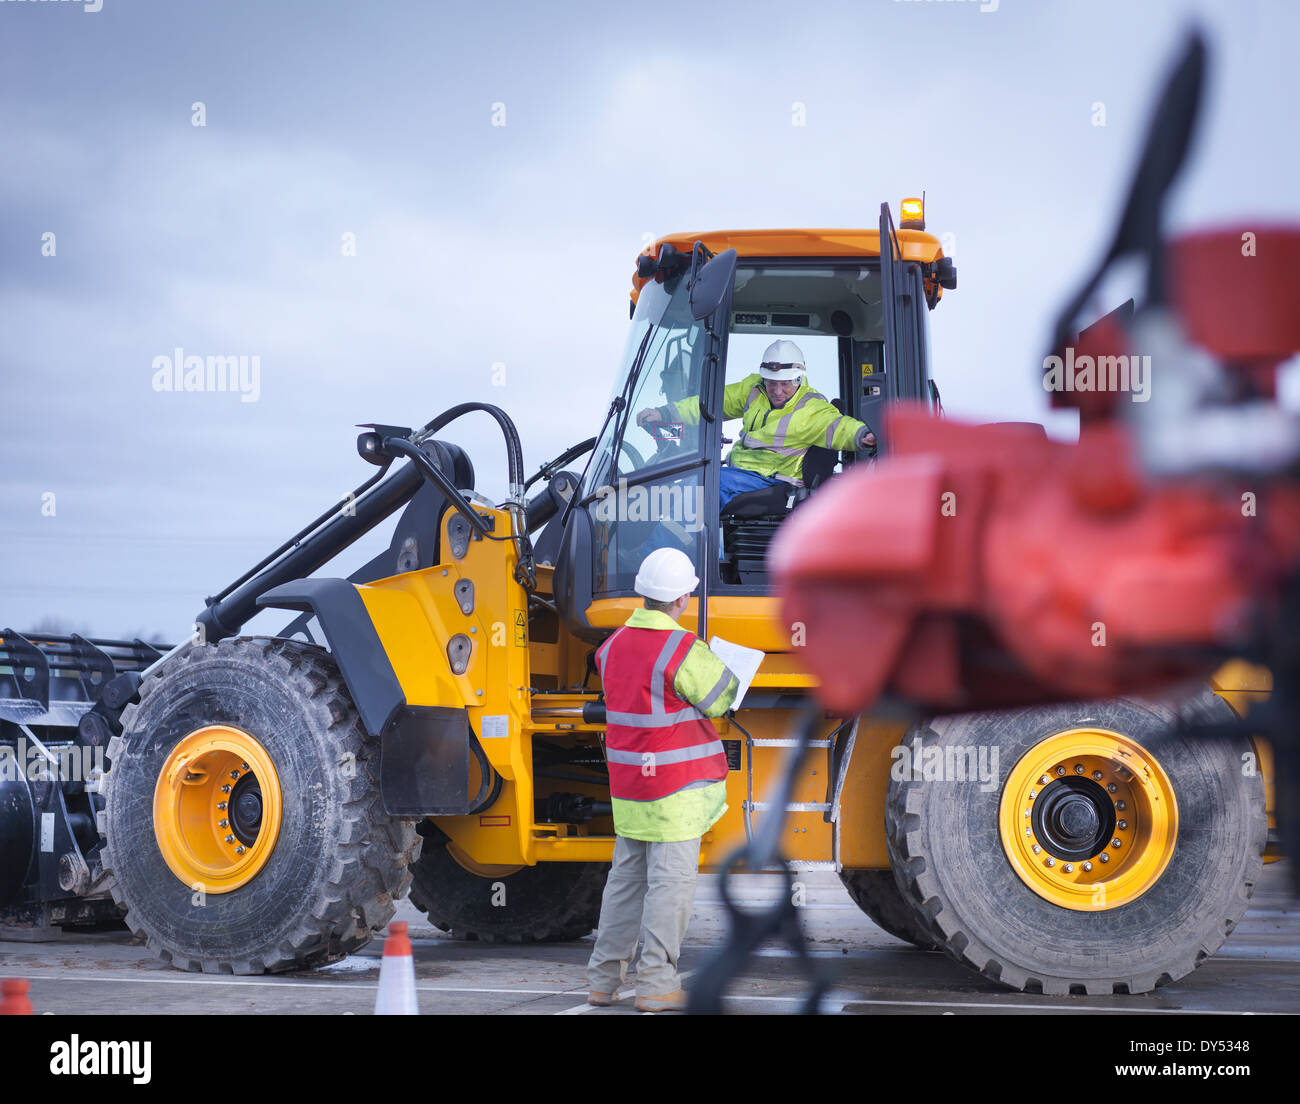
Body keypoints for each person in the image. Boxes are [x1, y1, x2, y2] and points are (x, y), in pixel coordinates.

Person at [585, 547, 739, 1012]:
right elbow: (721, 696)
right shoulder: (681, 647)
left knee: (626, 884)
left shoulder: (610, 647)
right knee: (669, 888)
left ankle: (602, 981)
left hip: (631, 790)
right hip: (674, 790)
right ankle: (655, 984)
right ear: (682, 599)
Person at [636, 338, 877, 509]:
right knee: (694, 481)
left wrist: (863, 435)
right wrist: (666, 413)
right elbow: (710, 404)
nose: (777, 391)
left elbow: (839, 426)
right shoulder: (754, 389)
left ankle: (663, 557)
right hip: (739, 472)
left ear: (799, 379)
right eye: (772, 383)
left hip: (772, 478)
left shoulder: (811, 408)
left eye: (785, 384)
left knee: (697, 491)